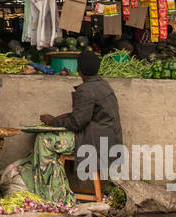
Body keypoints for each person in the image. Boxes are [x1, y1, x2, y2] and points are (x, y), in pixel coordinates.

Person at [39, 50, 123, 180]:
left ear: (79, 69)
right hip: (110, 139)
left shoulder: (86, 90)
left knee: (44, 141)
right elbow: (89, 113)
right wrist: (65, 116)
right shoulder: (103, 84)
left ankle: (52, 186)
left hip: (96, 142)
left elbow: (77, 123)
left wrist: (53, 121)